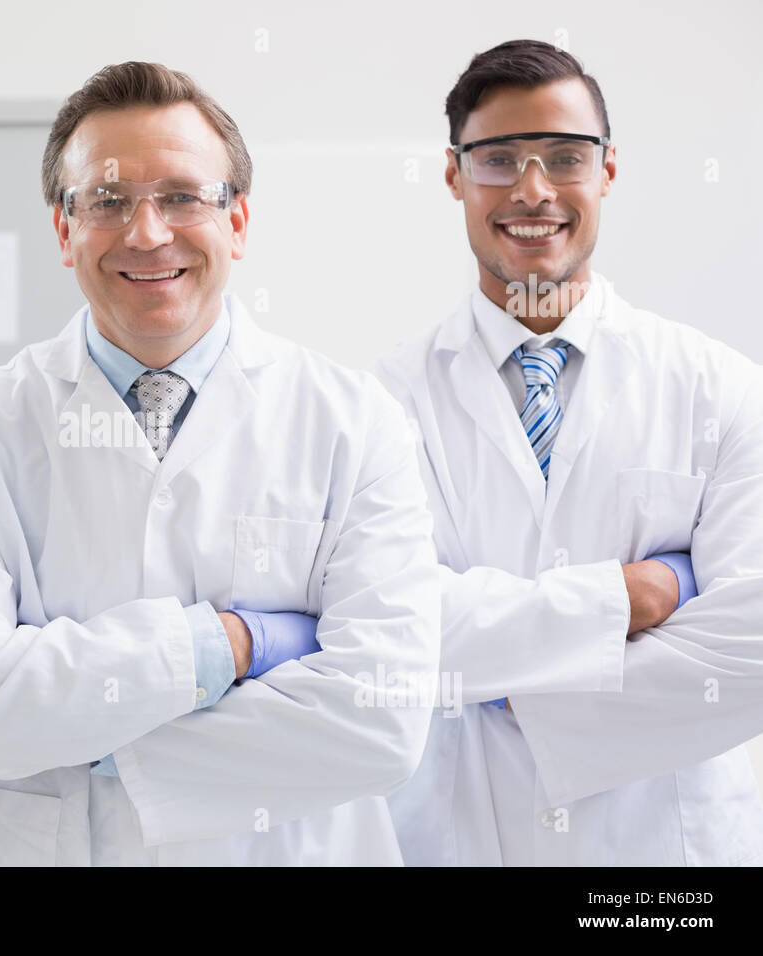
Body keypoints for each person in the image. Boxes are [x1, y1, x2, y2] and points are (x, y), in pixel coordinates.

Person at [0, 61, 440, 866]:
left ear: (238, 221)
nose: (146, 233)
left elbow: (381, 720)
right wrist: (228, 646)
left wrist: (91, 745)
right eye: (107, 201)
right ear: (63, 228)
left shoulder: (355, 422)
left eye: (182, 196)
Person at [375, 40, 763, 865]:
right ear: (453, 175)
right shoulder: (379, 405)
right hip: (459, 837)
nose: (532, 189)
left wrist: (518, 693)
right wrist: (631, 597)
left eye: (563, 156)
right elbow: (393, 628)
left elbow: (752, 646)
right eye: (499, 158)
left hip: (662, 860)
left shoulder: (723, 389)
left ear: (608, 171)